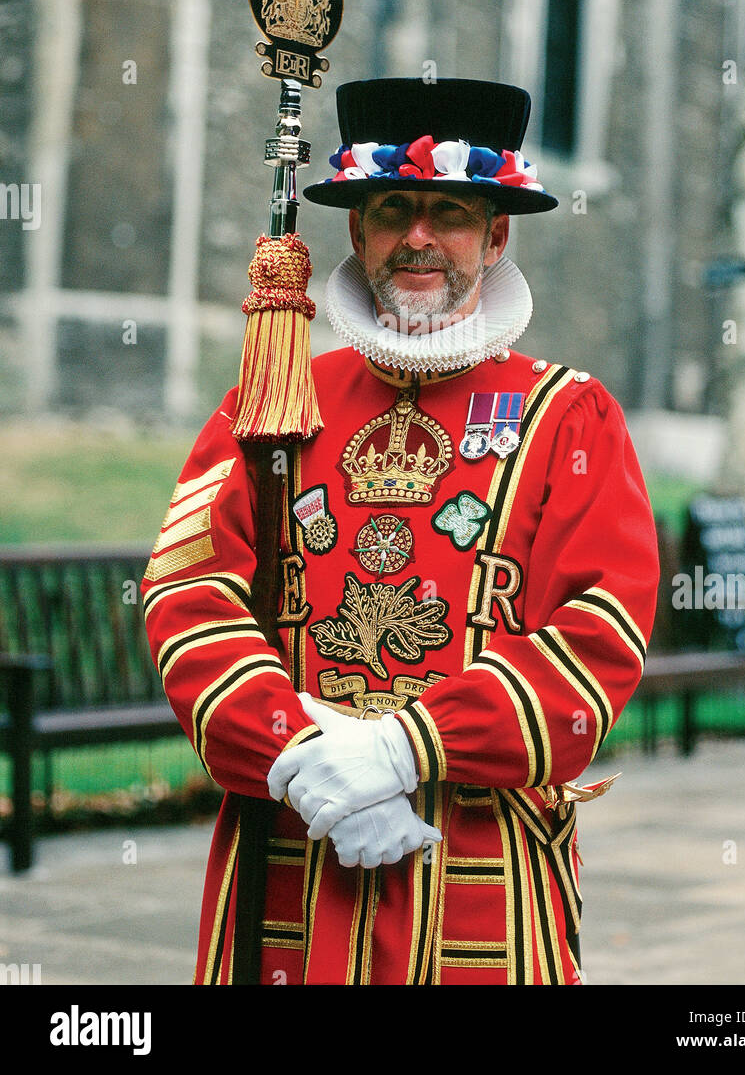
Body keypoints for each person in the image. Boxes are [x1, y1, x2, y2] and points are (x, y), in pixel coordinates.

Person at [142, 77, 660, 986]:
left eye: (450, 212)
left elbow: (598, 634)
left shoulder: (569, 415)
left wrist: (403, 746)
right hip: (291, 850)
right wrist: (295, 748)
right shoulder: (268, 402)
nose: (419, 236)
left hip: (479, 858)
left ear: (495, 234)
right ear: (356, 228)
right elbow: (188, 597)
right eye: (393, 209)